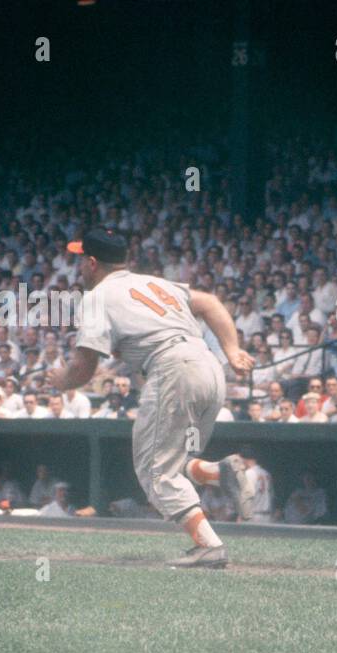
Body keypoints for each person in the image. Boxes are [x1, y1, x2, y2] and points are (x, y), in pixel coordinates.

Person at [46, 229, 254, 567]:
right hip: (209, 368)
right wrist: (232, 350)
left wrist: (61, 380)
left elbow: (83, 369)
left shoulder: (97, 297)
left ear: (93, 262)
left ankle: (209, 545)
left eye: (81, 259)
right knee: (171, 463)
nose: (80, 267)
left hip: (173, 371)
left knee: (155, 472)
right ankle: (220, 474)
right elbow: (212, 303)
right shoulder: (153, 283)